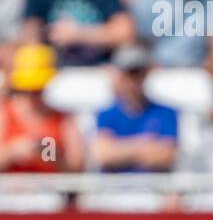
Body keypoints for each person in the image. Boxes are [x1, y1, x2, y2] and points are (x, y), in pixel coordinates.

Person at [93, 45, 179, 173]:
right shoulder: (105, 114)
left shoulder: (166, 113)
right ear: (119, 75)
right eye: (129, 73)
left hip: (153, 189)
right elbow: (104, 155)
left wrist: (120, 149)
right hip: (114, 189)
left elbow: (168, 156)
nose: (133, 80)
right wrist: (146, 144)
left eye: (138, 72)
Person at [0, 44, 83, 173]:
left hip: (51, 190)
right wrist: (13, 151)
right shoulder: (4, 113)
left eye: (37, 90)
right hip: (9, 192)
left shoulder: (64, 119)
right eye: (26, 90)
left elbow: (77, 168)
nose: (32, 96)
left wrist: (53, 155)